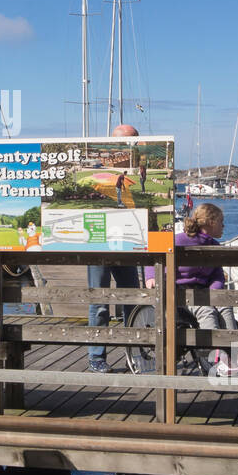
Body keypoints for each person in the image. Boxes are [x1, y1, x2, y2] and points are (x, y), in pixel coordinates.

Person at [88, 124, 142, 373]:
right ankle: (96, 356)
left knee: (132, 298)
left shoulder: (139, 164)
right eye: (122, 141)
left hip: (128, 242)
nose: (126, 145)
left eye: (131, 140)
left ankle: (137, 352)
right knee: (99, 302)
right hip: (98, 242)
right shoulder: (99, 163)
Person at [173, 203, 238, 376]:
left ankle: (235, 355)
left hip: (205, 290)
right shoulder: (180, 239)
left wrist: (215, 291)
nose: (224, 225)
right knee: (206, 312)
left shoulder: (214, 245)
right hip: (181, 291)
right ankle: (215, 357)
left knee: (225, 308)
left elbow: (217, 274)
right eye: (221, 221)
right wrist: (150, 277)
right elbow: (157, 251)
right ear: (210, 222)